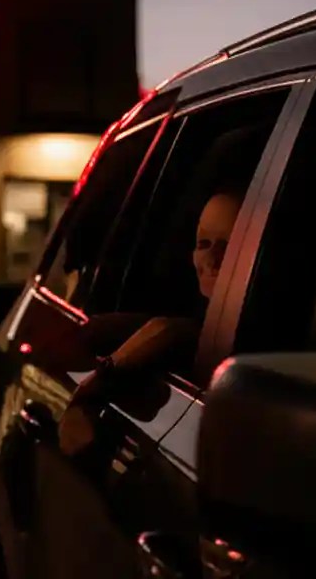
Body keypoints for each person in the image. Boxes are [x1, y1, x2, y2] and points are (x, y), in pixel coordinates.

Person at [58, 189, 243, 457]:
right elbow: (151, 330)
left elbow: (171, 333)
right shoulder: (196, 321)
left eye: (232, 244)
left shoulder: (247, 334)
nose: (212, 259)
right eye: (203, 243)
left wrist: (91, 390)